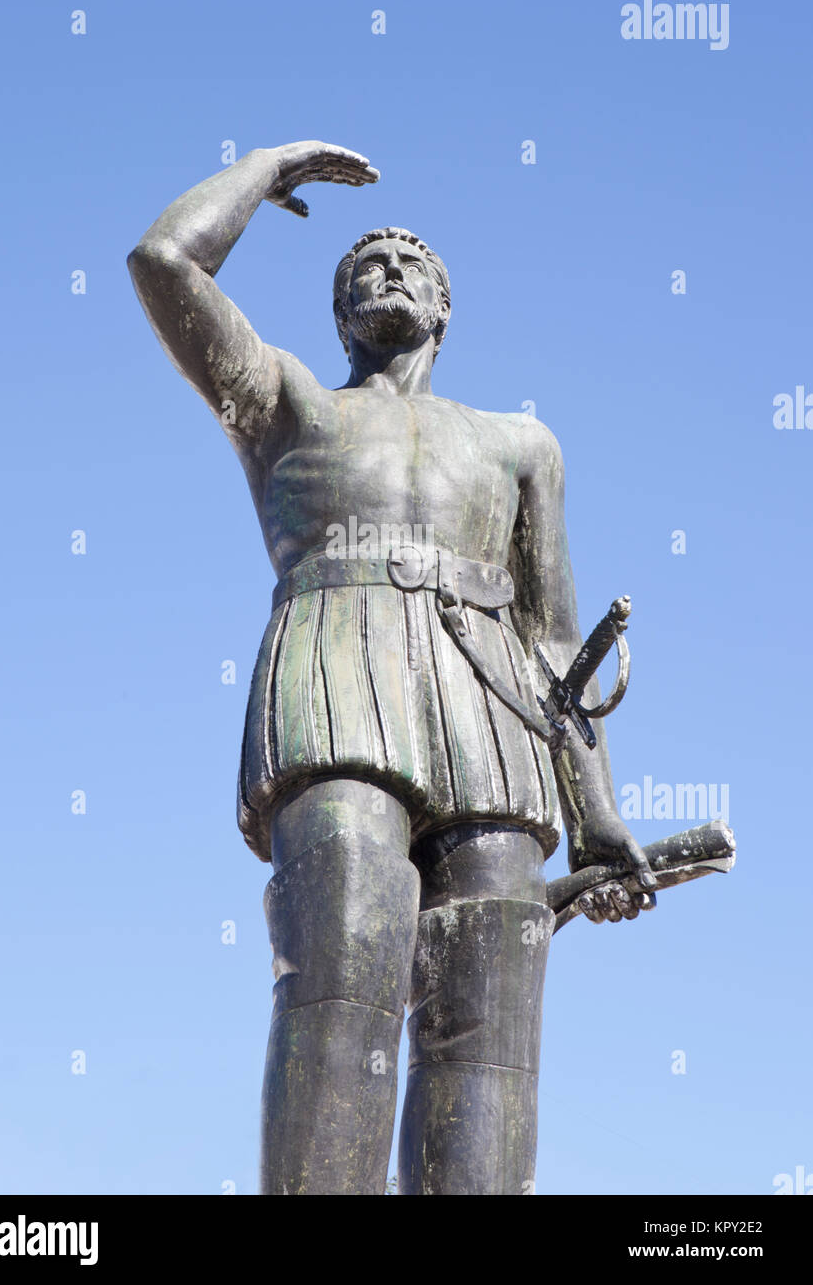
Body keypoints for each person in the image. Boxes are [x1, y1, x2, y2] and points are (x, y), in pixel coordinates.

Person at [127, 141, 657, 1195]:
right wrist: (264, 170)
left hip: (491, 702)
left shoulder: (519, 444)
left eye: (413, 261)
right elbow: (162, 263)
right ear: (335, 312)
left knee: (488, 1007)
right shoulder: (282, 404)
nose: (389, 267)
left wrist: (598, 819)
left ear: (446, 311)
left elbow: (555, 641)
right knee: (342, 968)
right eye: (365, 262)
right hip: (336, 670)